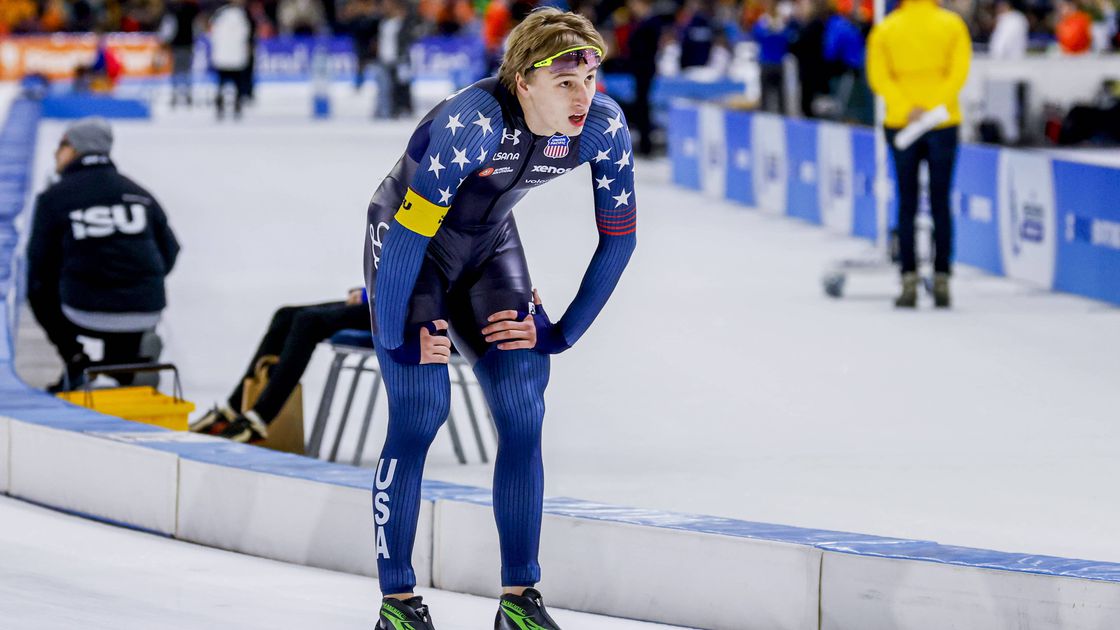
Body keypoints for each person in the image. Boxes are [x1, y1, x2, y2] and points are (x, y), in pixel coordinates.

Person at [360, 8, 637, 629]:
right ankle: (398, 602)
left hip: (488, 247)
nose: (584, 95)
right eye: (565, 82)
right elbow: (406, 234)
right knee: (421, 409)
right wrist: (394, 335)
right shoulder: (472, 121)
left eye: (591, 78)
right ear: (524, 83)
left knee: (522, 404)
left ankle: (521, 600)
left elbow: (620, 240)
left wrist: (559, 333)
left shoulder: (603, 126)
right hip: (411, 249)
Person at [26, 117, 180, 392]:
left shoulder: (54, 198)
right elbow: (170, 250)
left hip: (82, 311)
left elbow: (39, 265)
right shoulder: (139, 194)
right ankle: (128, 362)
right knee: (126, 282)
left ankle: (76, 360)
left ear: (73, 149)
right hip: (146, 308)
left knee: (37, 288)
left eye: (60, 145)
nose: (55, 153)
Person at [867, 0, 971, 308]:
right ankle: (942, 277)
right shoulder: (952, 25)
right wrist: (933, 106)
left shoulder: (886, 28)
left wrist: (906, 107)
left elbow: (879, 75)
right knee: (941, 201)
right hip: (942, 122)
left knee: (907, 201)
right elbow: (959, 71)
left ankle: (908, 277)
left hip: (902, 123)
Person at [190, 289, 370, 442]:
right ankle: (232, 410)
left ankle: (258, 419)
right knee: (285, 316)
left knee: (308, 322)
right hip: (378, 298)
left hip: (392, 310)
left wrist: (365, 294)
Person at [209, 0, 253, 120]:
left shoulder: (219, 14)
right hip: (235, 56)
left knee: (222, 83)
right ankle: (235, 104)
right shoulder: (241, 15)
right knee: (236, 83)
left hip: (223, 56)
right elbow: (246, 34)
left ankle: (221, 102)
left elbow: (212, 33)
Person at [753, 0, 796, 114]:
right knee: (765, 97)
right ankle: (764, 118)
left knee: (781, 97)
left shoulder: (782, 23)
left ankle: (782, 119)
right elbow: (757, 35)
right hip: (767, 62)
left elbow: (788, 40)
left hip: (777, 63)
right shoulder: (763, 21)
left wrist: (777, 30)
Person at [160, 0, 202, 107]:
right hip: (183, 44)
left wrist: (165, 40)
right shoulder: (180, 9)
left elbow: (168, 27)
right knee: (183, 70)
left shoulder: (177, 9)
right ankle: (182, 93)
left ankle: (182, 93)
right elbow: (197, 27)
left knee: (180, 70)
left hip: (182, 44)